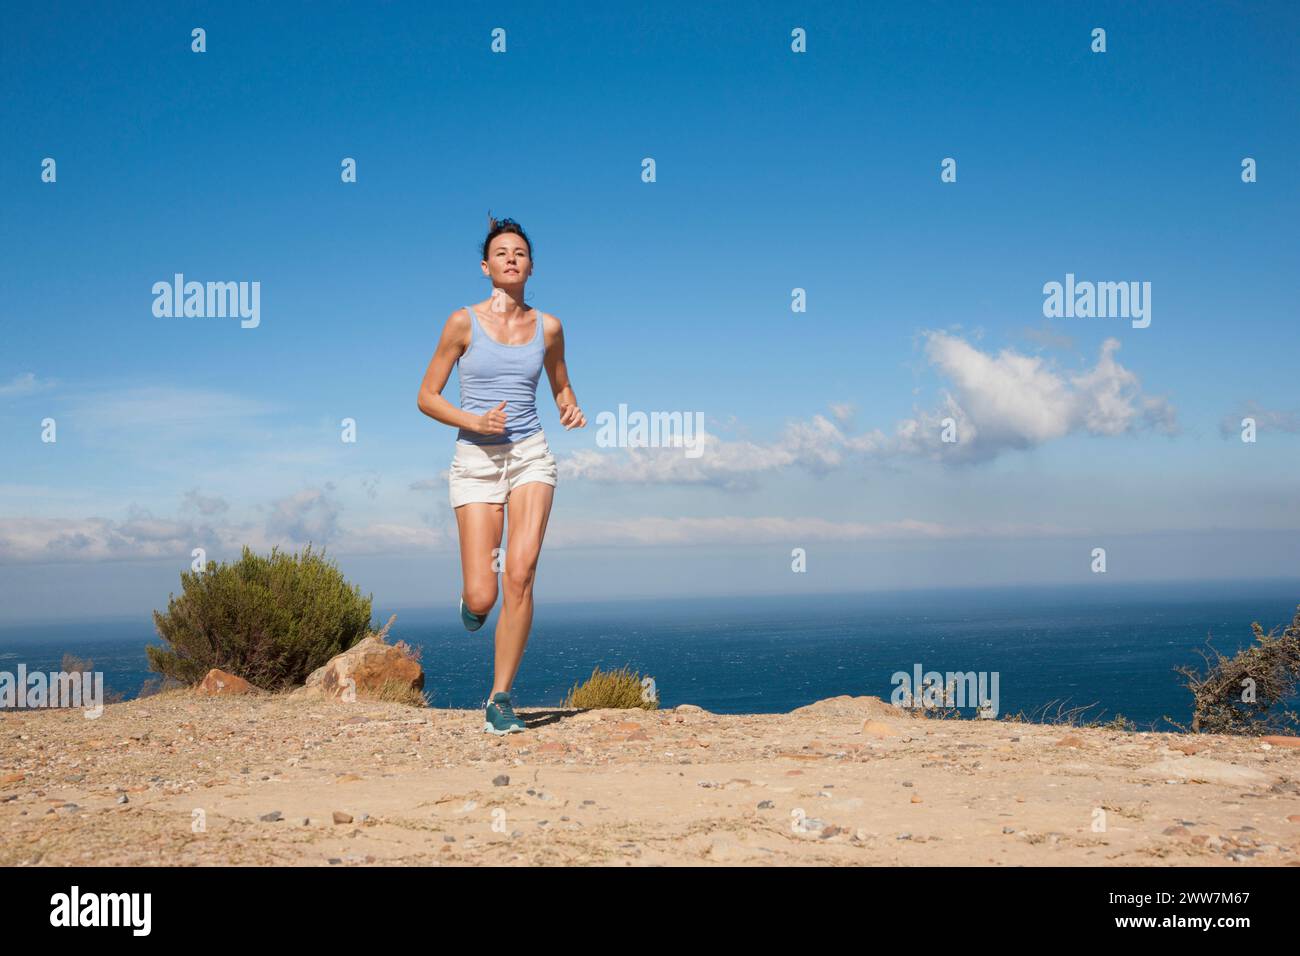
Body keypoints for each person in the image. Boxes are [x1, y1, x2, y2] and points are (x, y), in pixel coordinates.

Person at [416, 216, 586, 734]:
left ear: (530, 265)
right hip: (475, 460)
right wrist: (475, 420)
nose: (511, 258)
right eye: (501, 252)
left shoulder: (549, 327)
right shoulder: (461, 323)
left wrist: (570, 406)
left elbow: (559, 383)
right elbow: (426, 396)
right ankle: (472, 601)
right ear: (486, 266)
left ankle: (500, 698)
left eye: (520, 252)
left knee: (522, 571)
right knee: (483, 595)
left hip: (530, 454)